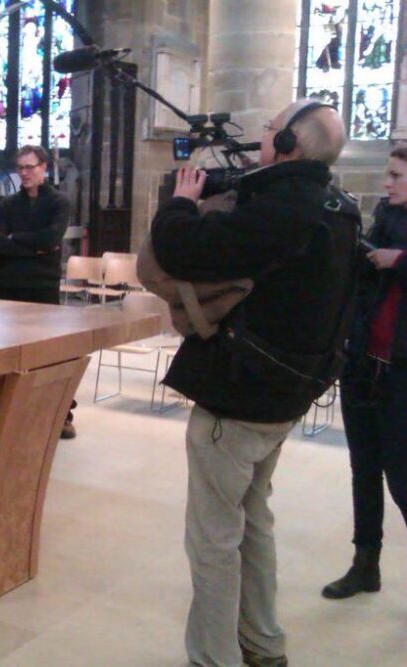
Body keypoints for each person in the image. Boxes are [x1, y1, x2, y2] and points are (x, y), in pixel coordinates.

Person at [150, 99, 358, 667]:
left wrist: (180, 204)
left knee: (214, 538)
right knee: (254, 519)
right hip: (287, 393)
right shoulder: (339, 206)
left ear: (288, 144)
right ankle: (264, 644)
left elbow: (183, 250)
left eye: (269, 129)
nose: (263, 136)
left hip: (240, 395)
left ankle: (213, 657)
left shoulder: (283, 208)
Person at [322, 145, 407, 601]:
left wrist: (400, 261)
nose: (386, 183)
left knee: (402, 478)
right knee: (364, 470)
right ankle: (365, 564)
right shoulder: (384, 219)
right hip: (363, 365)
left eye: (395, 175)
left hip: (401, 375)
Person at [0, 144, 76, 439]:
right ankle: (10, 411)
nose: (24, 173)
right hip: (11, 284)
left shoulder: (59, 202)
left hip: (42, 284)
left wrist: (15, 238)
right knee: (10, 350)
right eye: (20, 168)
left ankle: (62, 414)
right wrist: (34, 247)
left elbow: (52, 238)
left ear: (44, 168)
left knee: (49, 351)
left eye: (30, 167)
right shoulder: (7, 205)